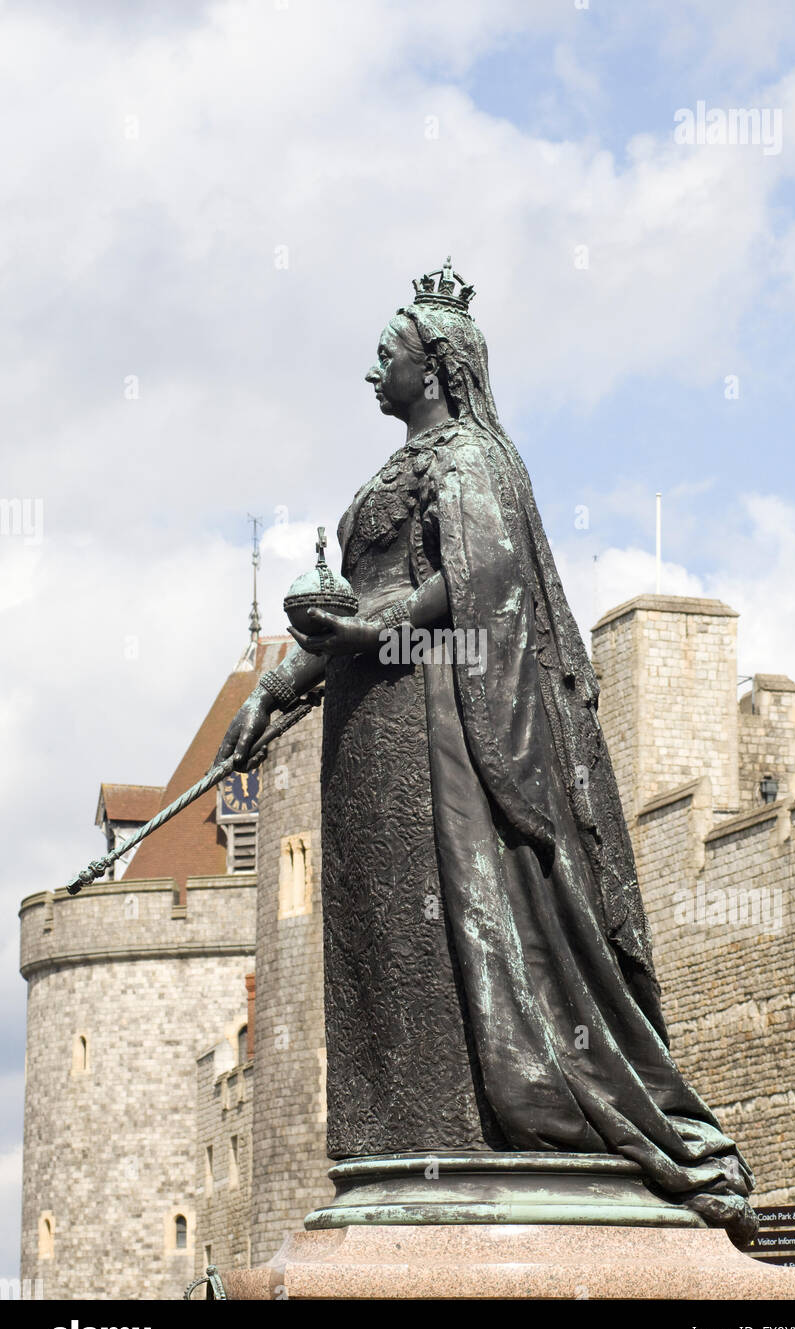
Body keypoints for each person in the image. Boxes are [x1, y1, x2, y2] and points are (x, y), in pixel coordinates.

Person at [216, 259, 757, 1245]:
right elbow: (367, 606)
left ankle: (491, 1121)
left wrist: (364, 631)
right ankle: (405, 1142)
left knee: (445, 926)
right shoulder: (404, 467)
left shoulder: (472, 462)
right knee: (384, 935)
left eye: (384, 354)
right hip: (368, 734)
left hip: (441, 731)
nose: (367, 370)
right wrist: (276, 687)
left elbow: (476, 589)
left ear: (431, 367)